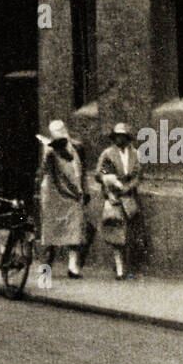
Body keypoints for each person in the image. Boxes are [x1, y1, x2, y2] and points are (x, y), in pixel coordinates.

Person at [36, 120, 90, 279]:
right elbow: (45, 169)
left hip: (73, 193)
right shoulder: (49, 150)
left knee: (75, 227)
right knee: (50, 231)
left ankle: (73, 266)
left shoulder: (77, 148)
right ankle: (45, 269)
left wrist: (84, 190)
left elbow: (82, 171)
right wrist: (48, 153)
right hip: (54, 194)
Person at [95, 122, 143, 280]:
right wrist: (108, 181)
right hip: (114, 198)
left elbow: (137, 175)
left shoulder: (134, 154)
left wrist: (128, 187)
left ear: (127, 138)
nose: (119, 139)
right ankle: (120, 268)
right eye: (117, 136)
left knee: (129, 234)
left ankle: (126, 266)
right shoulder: (108, 154)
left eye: (122, 136)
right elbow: (99, 172)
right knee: (116, 232)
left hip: (129, 198)